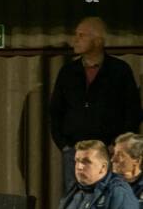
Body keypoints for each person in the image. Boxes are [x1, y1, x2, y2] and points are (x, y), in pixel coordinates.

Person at [49, 18, 143, 193]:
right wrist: (65, 146)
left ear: (98, 41)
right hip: (74, 153)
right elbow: (56, 112)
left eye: (82, 35)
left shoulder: (119, 71)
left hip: (109, 153)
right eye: (76, 35)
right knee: (75, 201)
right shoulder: (68, 72)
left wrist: (116, 146)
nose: (75, 40)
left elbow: (133, 111)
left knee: (109, 199)